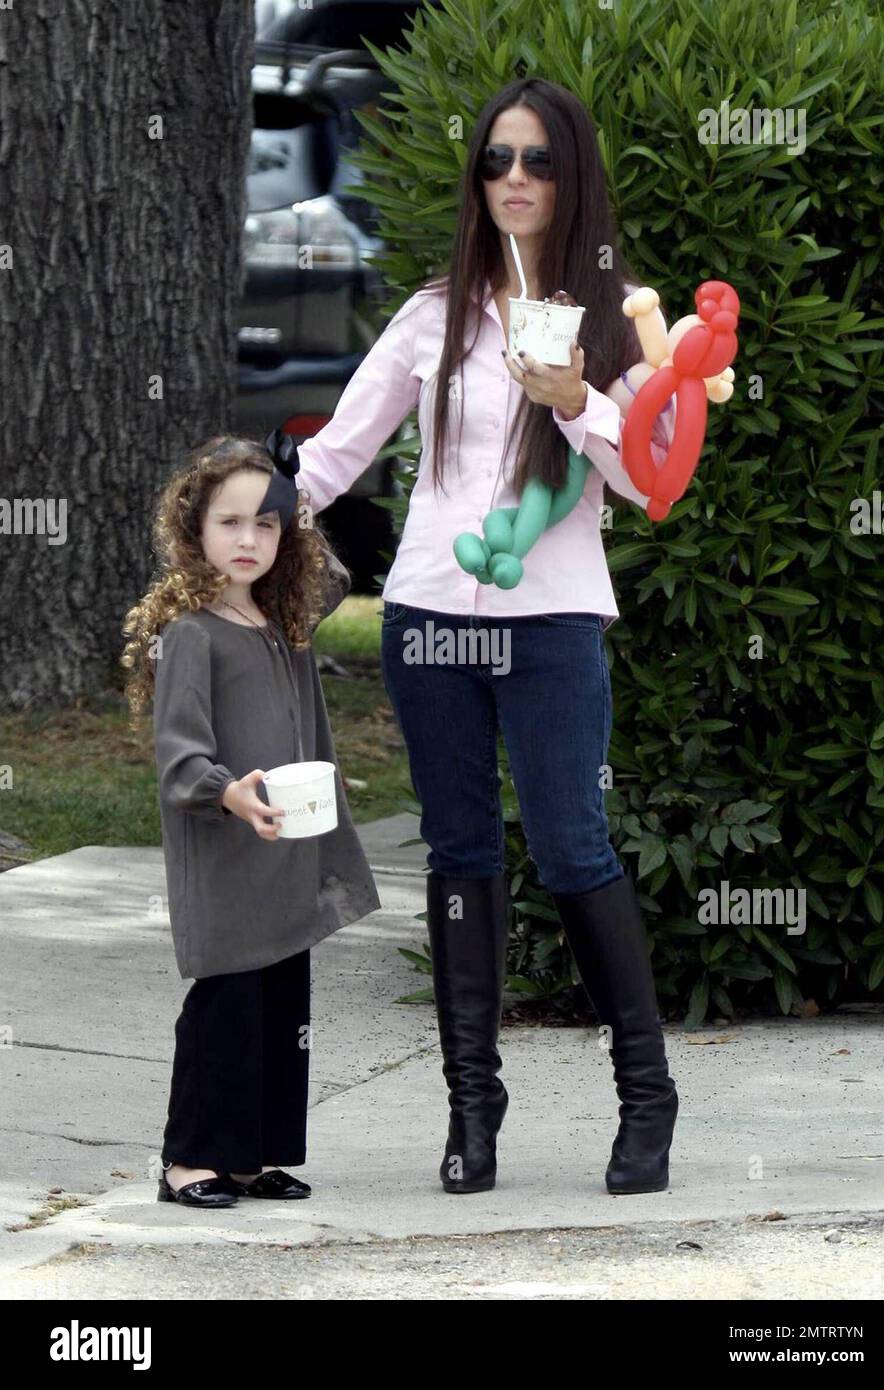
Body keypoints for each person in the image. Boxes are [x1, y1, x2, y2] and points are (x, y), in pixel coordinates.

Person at [294, 78, 681, 1196]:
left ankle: (644, 1093)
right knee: (459, 852)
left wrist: (576, 398)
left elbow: (649, 482)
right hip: (427, 617)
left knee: (569, 845)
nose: (514, 178)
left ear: (571, 178)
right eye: (497, 160)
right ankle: (473, 1104)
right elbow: (336, 454)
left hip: (553, 618)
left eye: (538, 162)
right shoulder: (434, 312)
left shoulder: (623, 317)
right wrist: (245, 508)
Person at [121, 434, 380, 1208]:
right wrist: (229, 791)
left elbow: (331, 575)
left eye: (265, 525)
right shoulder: (191, 634)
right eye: (229, 523)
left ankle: (249, 1155)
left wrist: (297, 492)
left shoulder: (282, 621)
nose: (247, 540)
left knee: (280, 1009)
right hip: (228, 857)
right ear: (194, 530)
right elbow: (179, 759)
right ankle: (188, 1160)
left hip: (285, 858)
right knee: (224, 1012)